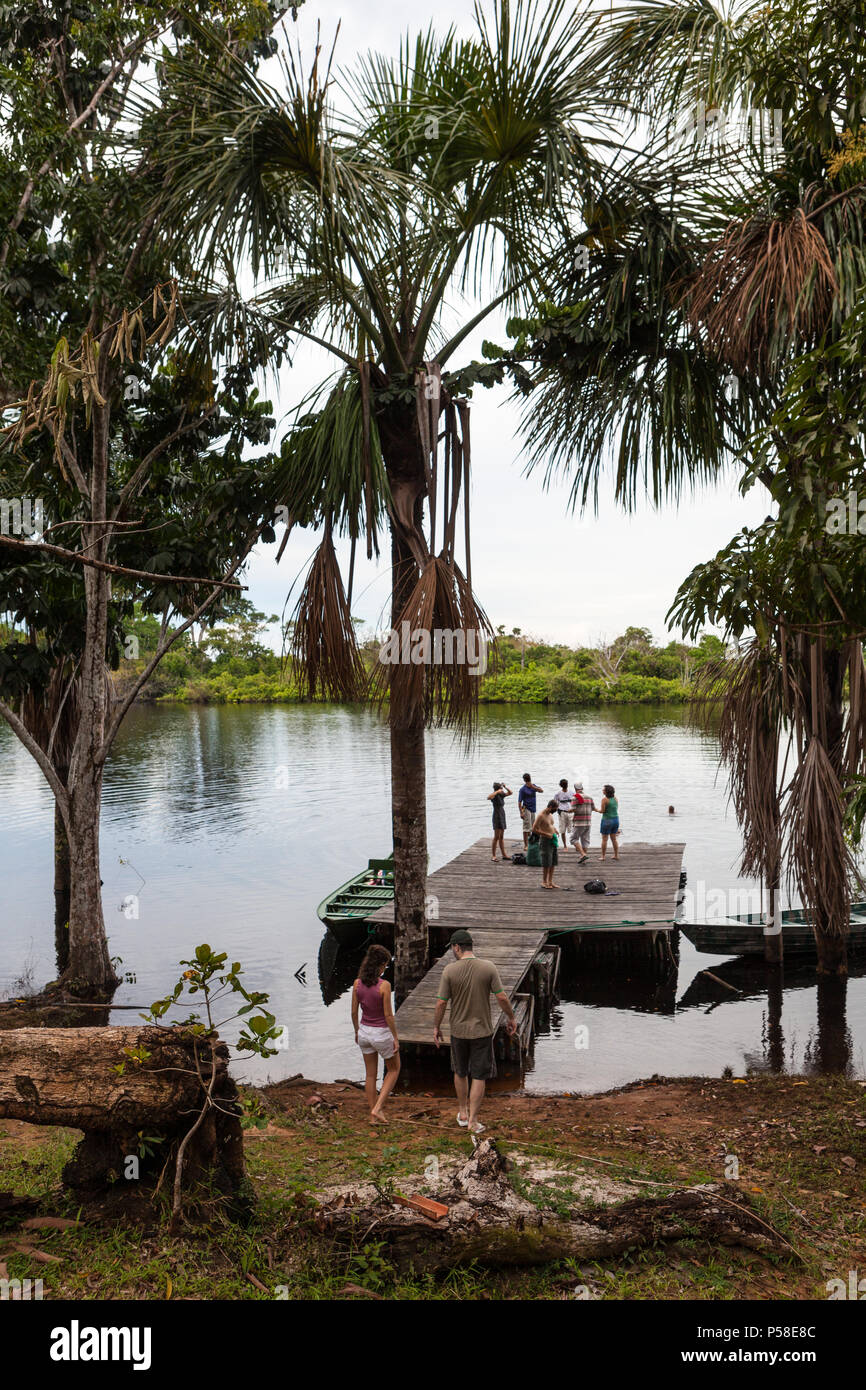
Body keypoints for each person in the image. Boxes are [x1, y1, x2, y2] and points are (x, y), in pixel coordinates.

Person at [433, 929, 516, 1134]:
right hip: (481, 1031)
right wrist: (511, 1017)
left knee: (460, 1071)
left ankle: (462, 1112)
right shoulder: (488, 967)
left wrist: (436, 1026)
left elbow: (441, 1003)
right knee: (479, 1075)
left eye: (453, 947)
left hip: (458, 1031)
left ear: (457, 947)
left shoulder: (449, 971)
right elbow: (502, 997)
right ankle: (473, 1120)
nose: (453, 950)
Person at [351, 944, 400, 1124]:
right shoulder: (384, 986)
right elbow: (388, 1015)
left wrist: (357, 1031)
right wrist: (395, 1037)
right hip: (381, 1033)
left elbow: (354, 1012)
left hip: (364, 1032)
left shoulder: (357, 984)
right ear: (379, 965)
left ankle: (373, 1116)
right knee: (394, 1069)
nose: (384, 969)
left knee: (370, 1074)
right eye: (385, 966)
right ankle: (378, 1108)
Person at [533, 798, 560, 888]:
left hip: (553, 840)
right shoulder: (541, 815)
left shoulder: (550, 814)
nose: (555, 811)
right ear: (550, 807)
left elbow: (550, 825)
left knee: (553, 862)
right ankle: (544, 882)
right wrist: (546, 834)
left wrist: (555, 830)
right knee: (546, 862)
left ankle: (550, 881)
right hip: (545, 841)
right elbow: (534, 829)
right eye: (555, 809)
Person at [569, 781, 596, 863]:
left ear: (575, 789)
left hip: (579, 822)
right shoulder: (590, 797)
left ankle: (583, 854)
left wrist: (568, 810)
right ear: (582, 788)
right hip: (588, 822)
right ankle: (583, 858)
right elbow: (593, 808)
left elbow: (573, 809)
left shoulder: (574, 798)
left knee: (573, 839)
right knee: (585, 840)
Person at [487, 780, 512, 861]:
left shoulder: (501, 795)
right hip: (496, 816)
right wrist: (497, 791)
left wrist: (505, 787)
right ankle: (493, 856)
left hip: (502, 815)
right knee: (496, 837)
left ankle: (504, 855)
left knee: (501, 837)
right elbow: (488, 797)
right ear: (497, 789)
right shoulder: (494, 795)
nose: (502, 789)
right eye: (501, 788)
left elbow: (510, 792)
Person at [517, 772, 543, 847]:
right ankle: (526, 845)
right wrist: (521, 813)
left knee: (533, 827)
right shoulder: (522, 789)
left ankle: (532, 842)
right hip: (526, 809)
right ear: (525, 780)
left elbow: (541, 791)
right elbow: (519, 802)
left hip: (533, 809)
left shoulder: (533, 786)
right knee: (526, 828)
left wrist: (533, 787)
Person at [599, 784, 621, 861]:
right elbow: (615, 808)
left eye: (603, 790)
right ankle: (616, 855)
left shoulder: (604, 800)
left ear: (606, 792)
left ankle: (603, 856)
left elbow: (602, 811)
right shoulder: (615, 798)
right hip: (616, 820)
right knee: (614, 839)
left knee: (604, 839)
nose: (602, 791)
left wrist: (595, 810)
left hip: (607, 820)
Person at [554, 778, 574, 850]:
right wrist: (557, 811)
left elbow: (575, 802)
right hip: (562, 812)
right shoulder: (558, 794)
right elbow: (555, 803)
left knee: (572, 829)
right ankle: (565, 846)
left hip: (570, 812)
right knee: (563, 830)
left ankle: (575, 844)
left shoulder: (571, 792)